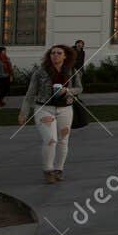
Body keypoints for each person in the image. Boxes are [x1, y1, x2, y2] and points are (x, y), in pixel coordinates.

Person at [18, 44, 82, 184]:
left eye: (59, 53)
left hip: (65, 109)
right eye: (53, 53)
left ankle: (59, 169)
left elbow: (79, 88)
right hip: (44, 109)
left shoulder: (72, 71)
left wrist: (68, 91)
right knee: (50, 140)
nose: (55, 55)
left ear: (65, 56)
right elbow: (30, 94)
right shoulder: (40, 72)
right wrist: (24, 113)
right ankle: (48, 170)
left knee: (63, 140)